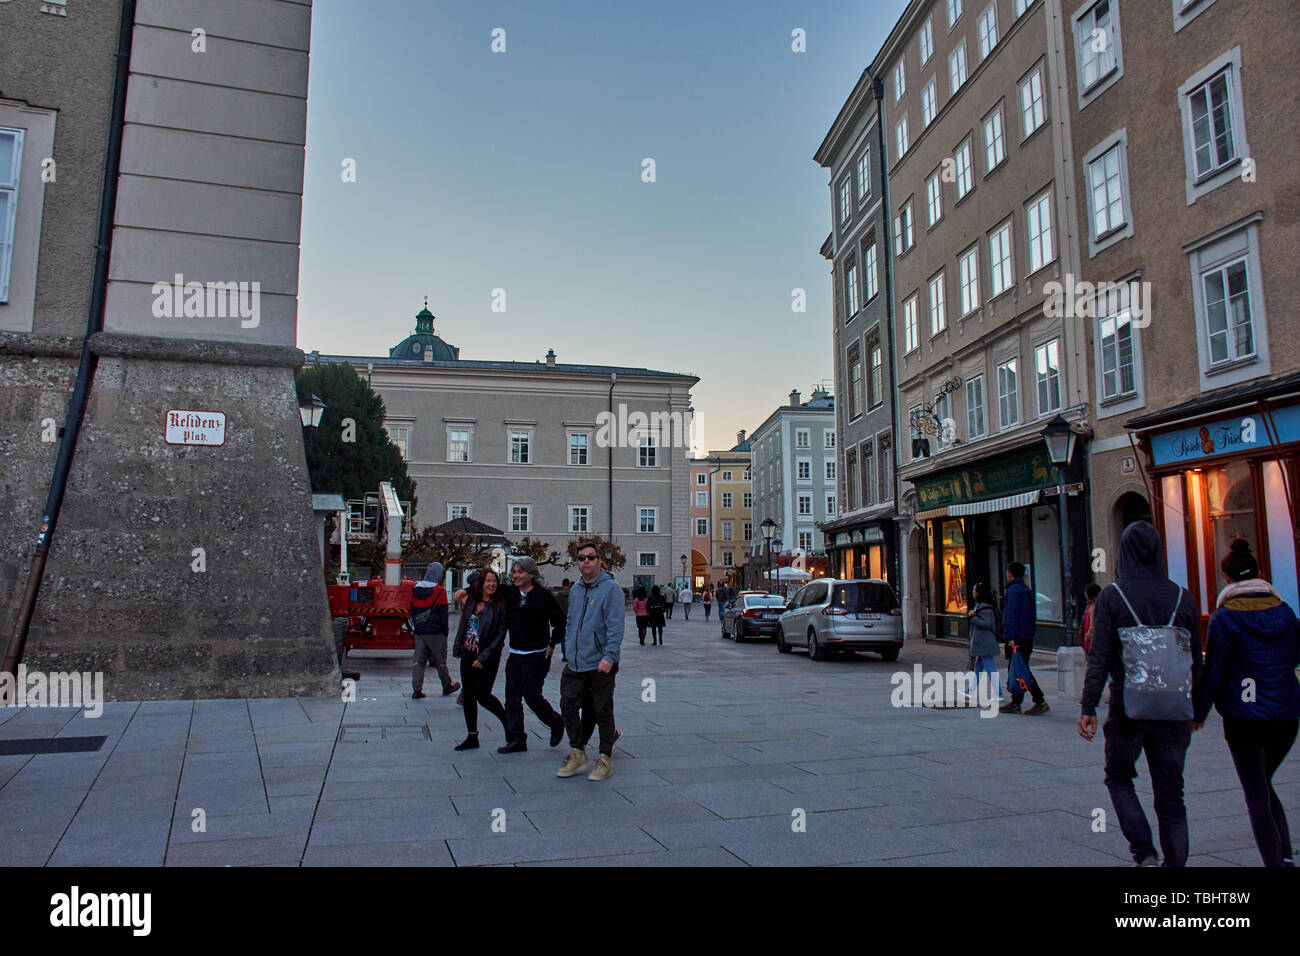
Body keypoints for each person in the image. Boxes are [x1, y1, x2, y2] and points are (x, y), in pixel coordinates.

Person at [1079, 520, 1201, 867]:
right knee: (1171, 794)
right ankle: (1175, 863)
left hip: (1128, 706)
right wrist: (1199, 710)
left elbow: (1100, 656)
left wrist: (1088, 705)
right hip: (1175, 709)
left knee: (1119, 777)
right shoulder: (1183, 596)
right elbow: (1196, 660)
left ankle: (1144, 852)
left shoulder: (1113, 596)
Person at [1194, 539, 1300, 867]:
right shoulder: (1284, 612)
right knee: (1262, 783)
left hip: (1245, 717)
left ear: (1227, 578)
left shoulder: (1224, 619)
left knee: (1256, 792)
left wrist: (1199, 712)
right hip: (1286, 715)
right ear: (1259, 573)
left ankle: (1275, 862)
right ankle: (1282, 852)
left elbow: (1214, 672)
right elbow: (1295, 655)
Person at [455, 559, 566, 754]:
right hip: (515, 654)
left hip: (536, 655)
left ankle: (555, 721)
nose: (515, 575)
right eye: (514, 572)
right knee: (512, 698)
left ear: (531, 574)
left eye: (520, 572)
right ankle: (517, 739)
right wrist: (465, 591)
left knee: (532, 696)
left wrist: (552, 643)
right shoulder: (510, 592)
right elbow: (484, 585)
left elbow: (560, 622)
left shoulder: (543, 596)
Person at [557, 541, 625, 781]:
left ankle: (604, 758)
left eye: (590, 557)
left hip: (600, 663)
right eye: (582, 558)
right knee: (567, 705)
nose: (585, 561)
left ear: (599, 561)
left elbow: (615, 627)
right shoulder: (576, 590)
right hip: (576, 661)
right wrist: (568, 647)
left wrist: (609, 657)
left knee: (602, 711)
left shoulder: (611, 589)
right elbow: (570, 622)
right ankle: (578, 751)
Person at [450, 567, 510, 751]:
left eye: (494, 581)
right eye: (487, 581)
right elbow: (464, 625)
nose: (491, 584)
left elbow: (500, 635)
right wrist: (458, 646)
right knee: (468, 695)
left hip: (488, 655)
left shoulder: (500, 604)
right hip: (468, 652)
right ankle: (472, 736)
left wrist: (483, 657)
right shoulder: (472, 601)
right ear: (481, 584)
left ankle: (510, 725)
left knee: (483, 696)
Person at [999, 562, 1048, 715]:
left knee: (1021, 669)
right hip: (1026, 635)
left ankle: (1039, 700)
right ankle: (1016, 701)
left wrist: (1011, 637)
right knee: (1018, 667)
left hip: (1019, 637)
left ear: (1010, 573)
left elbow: (1012, 614)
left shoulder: (1013, 590)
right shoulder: (1026, 590)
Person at [410, 562, 460, 700]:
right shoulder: (440, 592)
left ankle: (417, 689)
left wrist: (417, 626)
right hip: (436, 632)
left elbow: (412, 611)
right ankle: (447, 685)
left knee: (418, 661)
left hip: (420, 631)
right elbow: (443, 616)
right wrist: (445, 632)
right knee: (440, 660)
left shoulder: (415, 590)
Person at [966, 582, 1000, 703]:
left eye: (974, 590)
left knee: (990, 667)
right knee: (978, 667)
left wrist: (973, 618)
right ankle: (970, 690)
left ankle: (998, 692)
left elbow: (987, 623)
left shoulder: (984, 608)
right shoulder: (980, 606)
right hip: (982, 642)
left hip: (985, 642)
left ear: (979, 593)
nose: (973, 592)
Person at [1081, 583, 1102, 652]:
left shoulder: (1093, 607)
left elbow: (1092, 624)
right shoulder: (1095, 606)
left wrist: (1089, 634)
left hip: (1091, 639)